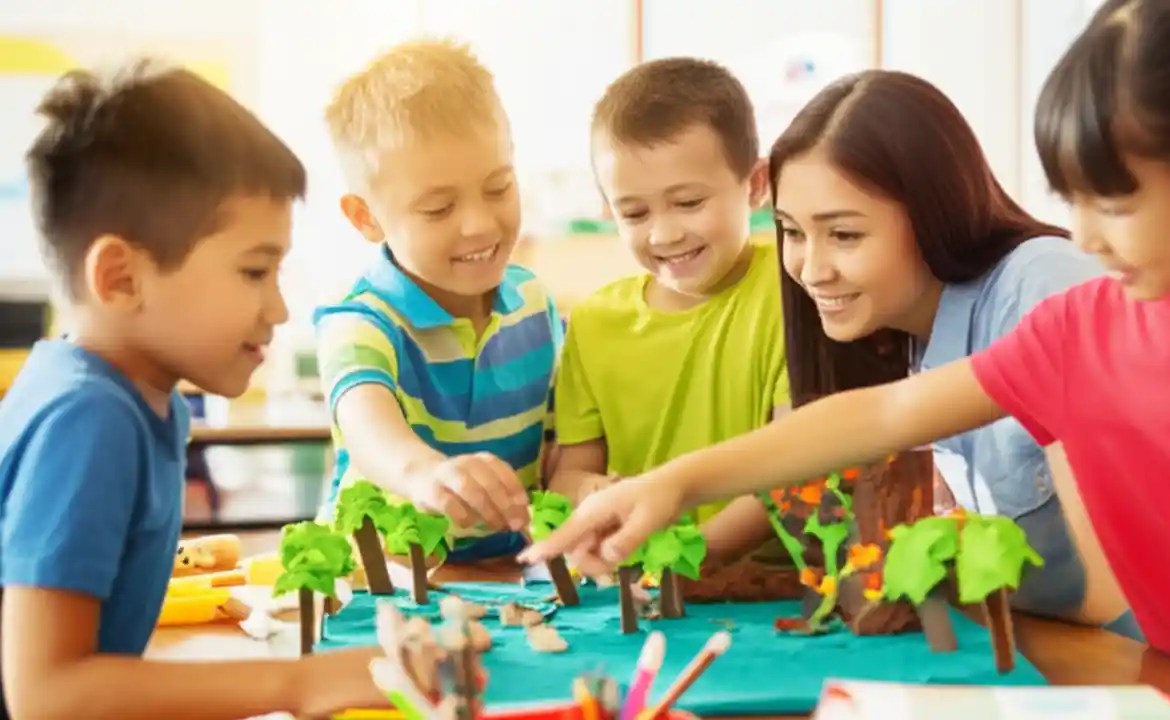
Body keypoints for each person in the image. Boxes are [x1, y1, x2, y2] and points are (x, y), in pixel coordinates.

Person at [524, 0, 1170, 659]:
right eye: (791, 231)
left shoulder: (1055, 287)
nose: (1085, 236)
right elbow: (882, 415)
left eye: (1113, 205)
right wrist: (673, 484)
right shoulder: (1083, 326)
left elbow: (1101, 583)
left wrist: (923, 559)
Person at [0, 61, 383, 718]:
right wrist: (300, 683)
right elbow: (47, 695)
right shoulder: (90, 418)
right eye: (254, 270)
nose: (279, 308)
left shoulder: (139, 401)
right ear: (121, 278)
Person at [766, 69, 1132, 634]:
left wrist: (930, 571)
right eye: (792, 231)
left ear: (933, 212)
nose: (811, 270)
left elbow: (1111, 587)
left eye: (844, 235)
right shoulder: (906, 337)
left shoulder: (1043, 286)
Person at [316, 38, 564, 559]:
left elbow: (557, 442)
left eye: (498, 188)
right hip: (385, 581)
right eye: (437, 209)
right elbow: (367, 426)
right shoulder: (359, 323)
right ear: (366, 217)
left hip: (510, 578)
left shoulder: (534, 302)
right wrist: (424, 473)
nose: (479, 225)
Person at [548, 57, 788, 561]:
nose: (664, 234)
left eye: (688, 203)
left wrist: (690, 558)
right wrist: (593, 495)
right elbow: (569, 475)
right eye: (634, 212)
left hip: (772, 590)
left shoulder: (793, 292)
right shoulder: (594, 323)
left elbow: (795, 467)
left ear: (756, 184)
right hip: (640, 586)